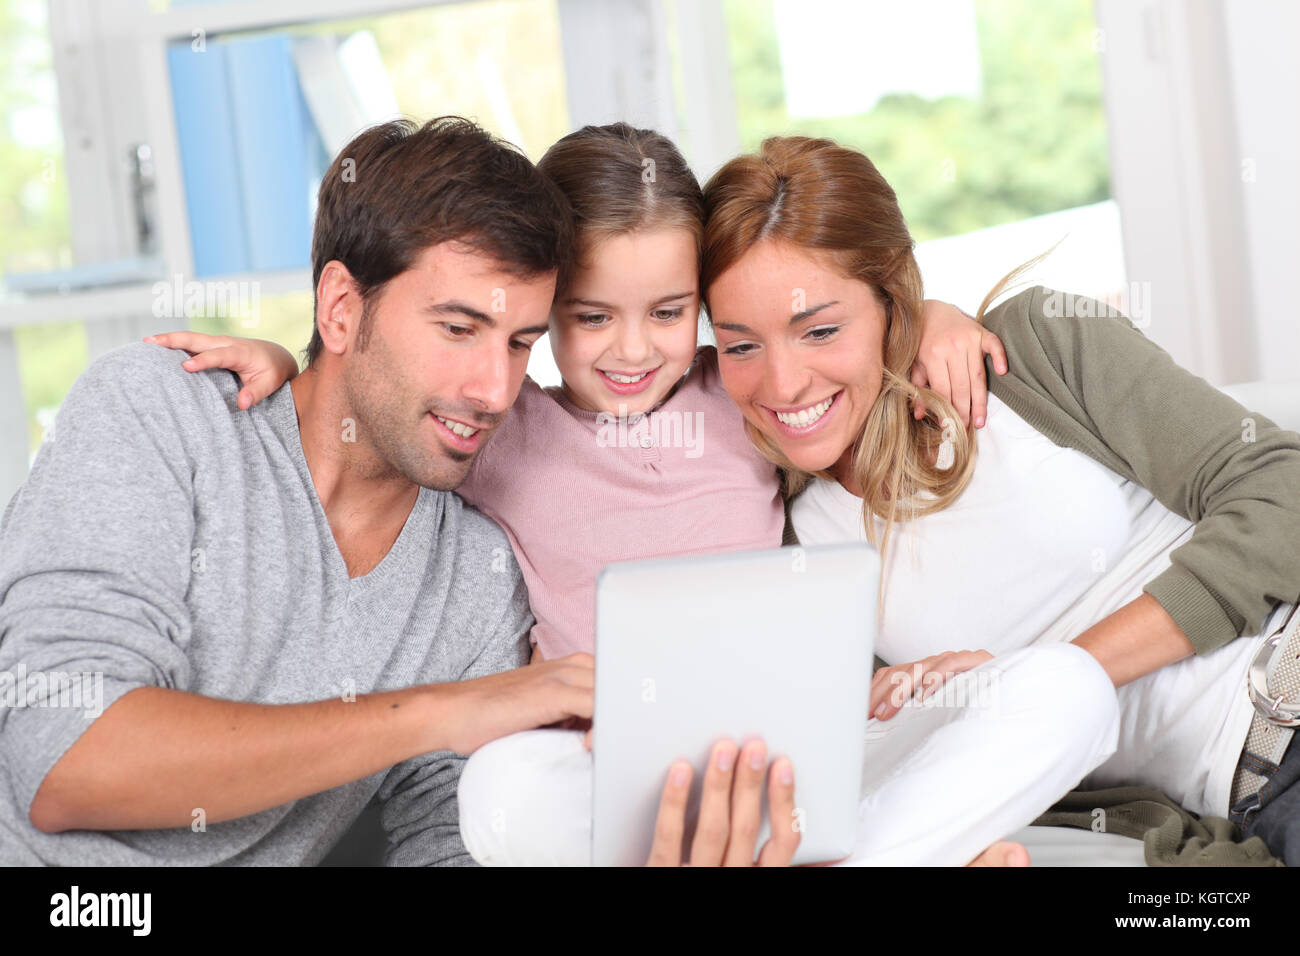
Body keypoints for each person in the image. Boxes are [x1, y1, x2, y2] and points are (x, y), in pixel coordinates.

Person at [164, 123, 1113, 866]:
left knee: (1068, 688)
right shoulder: (503, 432)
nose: (631, 351)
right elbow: (384, 397)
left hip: (806, 751)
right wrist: (292, 359)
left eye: (667, 314)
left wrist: (936, 318)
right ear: (542, 309)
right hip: (617, 776)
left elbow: (833, 345)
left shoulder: (744, 395)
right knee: (495, 793)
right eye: (590, 318)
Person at [0, 117, 595, 866]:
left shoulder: (476, 575)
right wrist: (439, 712)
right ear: (341, 308)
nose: (496, 389)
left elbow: (444, 838)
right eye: (457, 328)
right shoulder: (158, 412)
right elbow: (65, 760)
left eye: (519, 343)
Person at [700, 134, 1300, 864]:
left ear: (895, 298)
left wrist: (1042, 676)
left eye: (820, 330)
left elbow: (1282, 493)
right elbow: (887, 763)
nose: (783, 384)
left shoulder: (1030, 352)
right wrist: (920, 706)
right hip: (1253, 799)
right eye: (740, 346)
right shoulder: (795, 542)